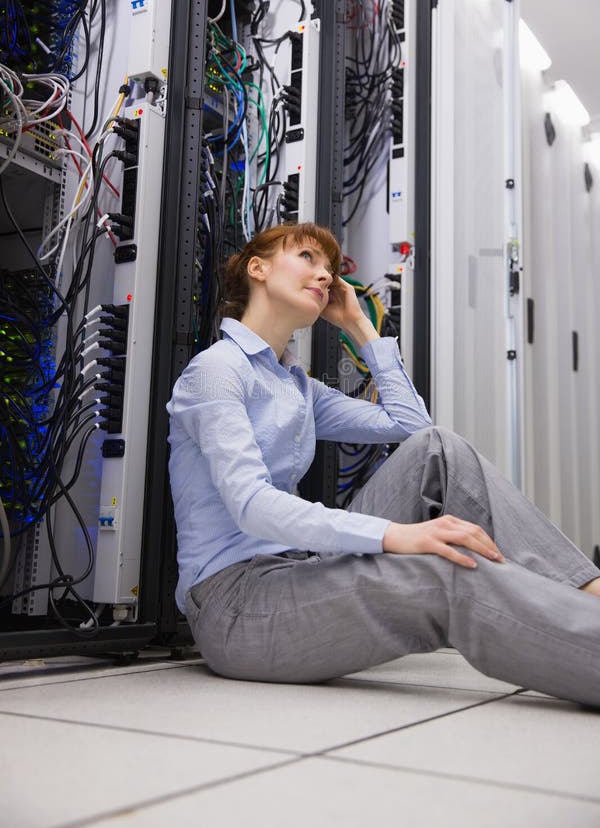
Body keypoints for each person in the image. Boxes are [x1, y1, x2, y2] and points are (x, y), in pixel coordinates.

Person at [166, 222, 600, 706]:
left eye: (330, 269)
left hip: (297, 571)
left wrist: (360, 326)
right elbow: (252, 507)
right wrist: (399, 536)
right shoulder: (215, 372)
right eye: (308, 258)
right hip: (238, 604)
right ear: (258, 268)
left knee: (442, 449)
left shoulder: (296, 385)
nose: (326, 275)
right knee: (448, 570)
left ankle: (589, 589)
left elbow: (414, 428)